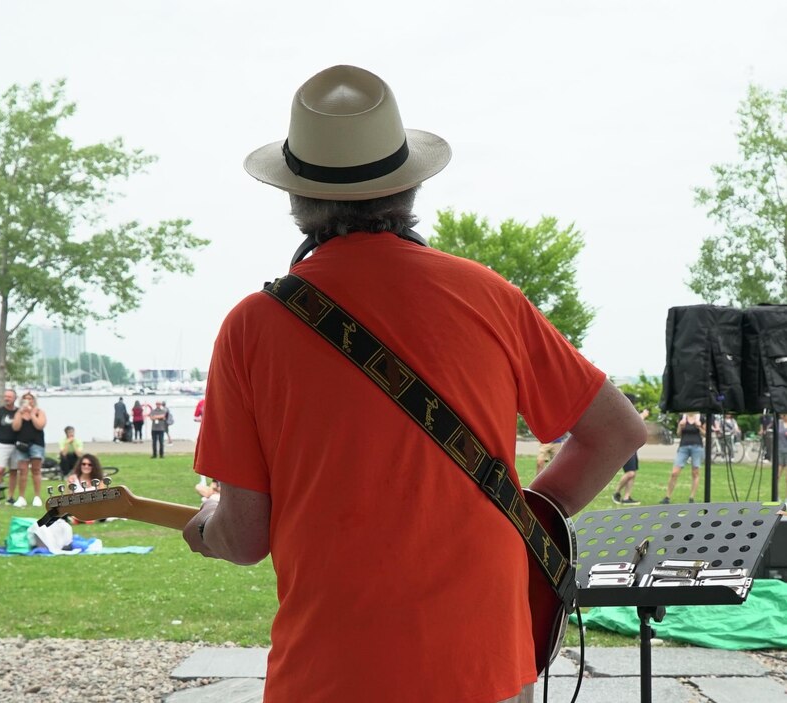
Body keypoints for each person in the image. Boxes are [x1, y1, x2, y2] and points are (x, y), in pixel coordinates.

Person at [180, 65, 646, 703]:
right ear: (407, 190)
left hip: (334, 670)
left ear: (297, 200)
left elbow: (244, 536)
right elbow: (616, 432)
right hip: (486, 659)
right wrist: (531, 514)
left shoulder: (252, 327)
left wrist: (207, 528)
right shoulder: (489, 295)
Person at [612, 395, 651, 505]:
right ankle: (616, 493)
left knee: (633, 472)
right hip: (625, 447)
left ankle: (626, 497)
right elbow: (633, 423)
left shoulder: (628, 412)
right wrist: (642, 416)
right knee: (630, 473)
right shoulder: (622, 412)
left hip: (632, 447)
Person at [11, 391, 48, 508]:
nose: (28, 401)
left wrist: (32, 414)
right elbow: (15, 427)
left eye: (30, 398)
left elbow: (40, 425)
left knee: (36, 470)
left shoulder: (39, 412)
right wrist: (20, 414)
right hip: (22, 444)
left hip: (36, 444)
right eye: (25, 399)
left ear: (34, 400)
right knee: (22, 471)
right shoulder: (18, 412)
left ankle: (37, 496)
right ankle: (21, 497)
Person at [663, 412, 706, 504]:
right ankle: (667, 497)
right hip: (683, 447)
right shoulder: (682, 417)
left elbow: (706, 434)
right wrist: (680, 426)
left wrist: (699, 426)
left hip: (697, 447)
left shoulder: (701, 417)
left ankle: (691, 497)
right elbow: (678, 434)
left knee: (695, 472)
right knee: (674, 473)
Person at [0, 390, 21, 504]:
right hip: (1, 444)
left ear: (15, 398)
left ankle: (10, 497)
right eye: (5, 396)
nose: (7, 398)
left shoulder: (19, 412)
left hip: (16, 445)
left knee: (13, 471)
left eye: (10, 397)